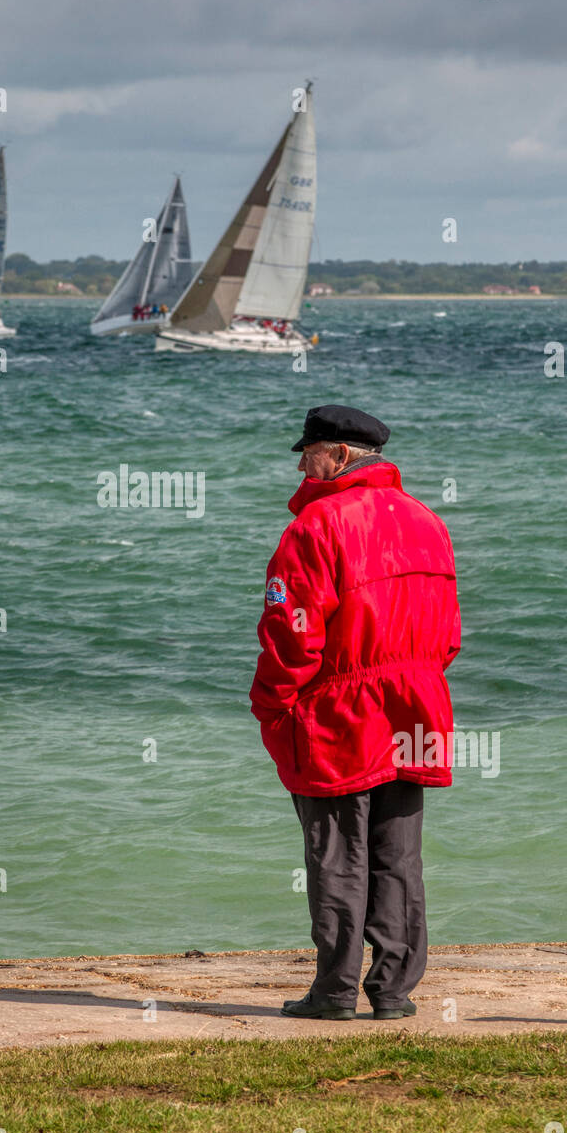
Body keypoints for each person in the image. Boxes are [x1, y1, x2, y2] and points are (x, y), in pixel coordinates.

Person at [250, 404, 460, 1021]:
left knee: (339, 852)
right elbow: (448, 632)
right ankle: (393, 990)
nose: (300, 462)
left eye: (307, 451)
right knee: (398, 853)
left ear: (339, 455)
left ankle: (336, 990)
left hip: (342, 709)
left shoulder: (315, 526)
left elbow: (291, 631)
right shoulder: (428, 521)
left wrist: (272, 703)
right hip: (418, 703)